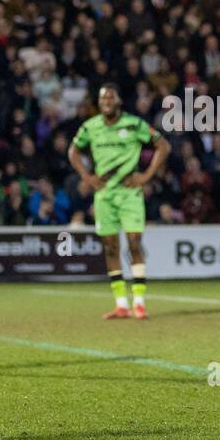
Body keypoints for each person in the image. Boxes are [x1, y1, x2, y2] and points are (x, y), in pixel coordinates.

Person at [68, 83, 171, 319]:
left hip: (129, 193)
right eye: (103, 99)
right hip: (104, 195)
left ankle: (140, 302)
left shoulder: (134, 124)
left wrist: (146, 175)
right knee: (111, 246)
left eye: (110, 98)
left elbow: (163, 145)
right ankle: (121, 304)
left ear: (118, 101)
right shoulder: (90, 127)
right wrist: (87, 177)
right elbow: (73, 151)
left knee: (134, 242)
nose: (106, 102)